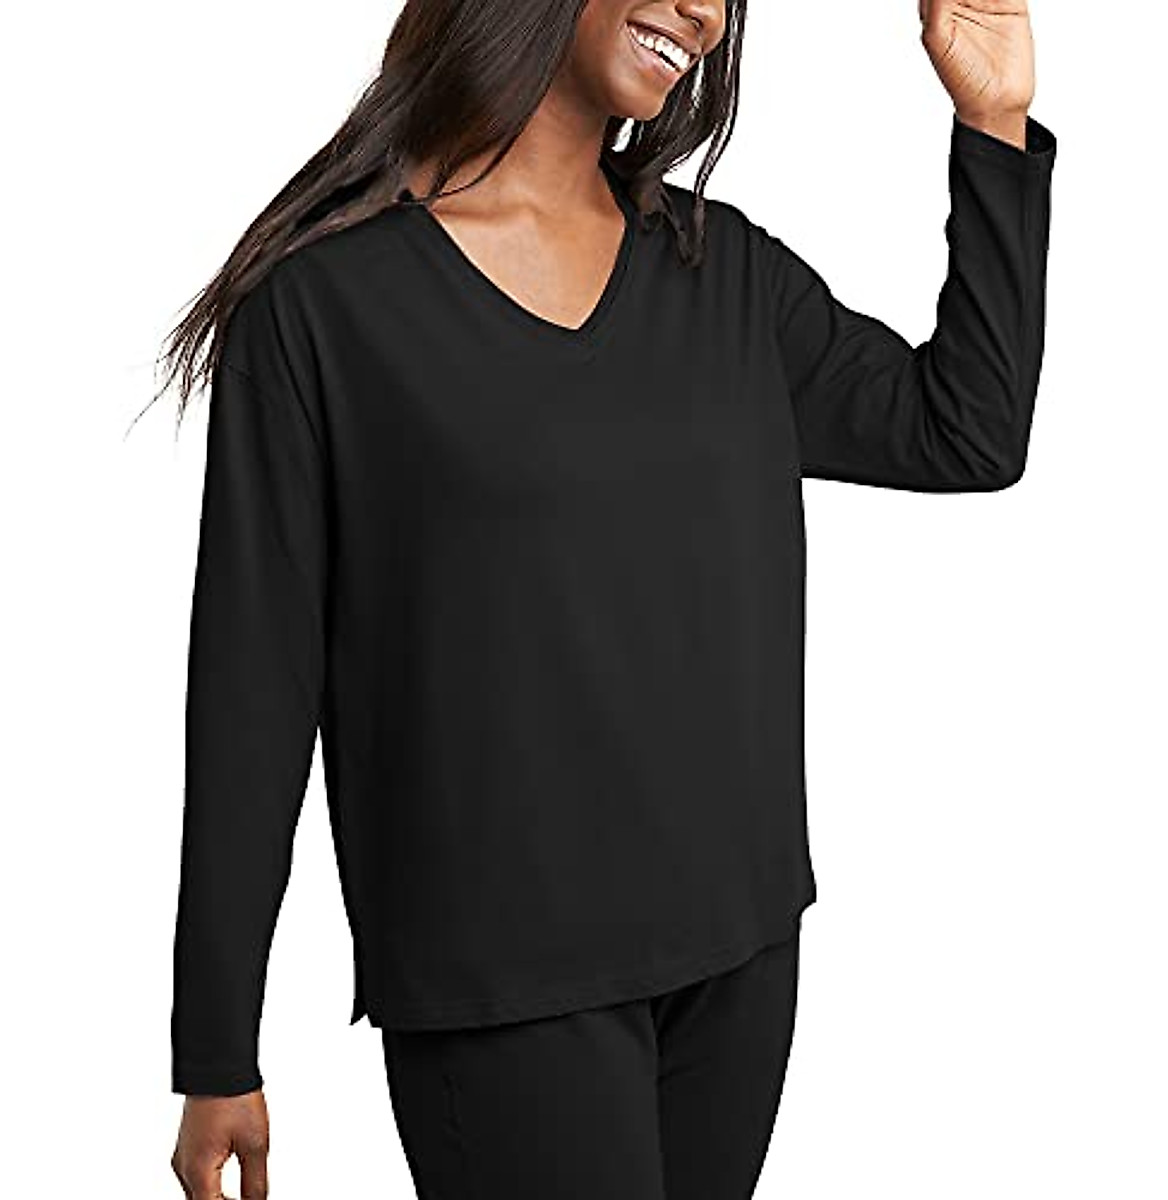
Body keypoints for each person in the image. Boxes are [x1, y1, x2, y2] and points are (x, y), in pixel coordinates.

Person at [159, 0, 1056, 1195]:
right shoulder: (322, 309)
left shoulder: (720, 271)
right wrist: (217, 1046)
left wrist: (993, 120)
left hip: (738, 956)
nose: (704, 12)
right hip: (504, 990)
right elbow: (252, 695)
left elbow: (968, 431)